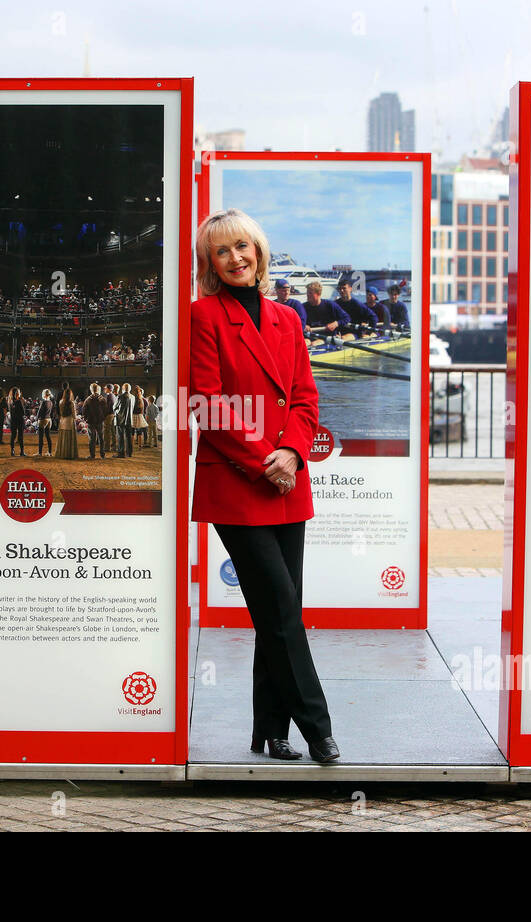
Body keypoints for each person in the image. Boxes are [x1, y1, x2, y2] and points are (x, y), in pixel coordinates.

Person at [189, 208, 338, 764]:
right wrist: (264, 460)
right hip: (238, 484)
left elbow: (304, 398)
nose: (235, 258)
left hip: (286, 481)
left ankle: (271, 731)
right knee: (281, 610)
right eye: (222, 251)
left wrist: (294, 453)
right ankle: (317, 726)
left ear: (259, 251)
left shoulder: (289, 319)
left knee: (277, 612)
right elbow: (207, 402)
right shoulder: (203, 316)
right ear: (211, 262)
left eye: (243, 246)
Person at [83, 382, 107, 458]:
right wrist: (103, 418)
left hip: (91, 421)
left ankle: (92, 455)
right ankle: (102, 454)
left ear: (91, 390)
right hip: (100, 421)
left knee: (92, 438)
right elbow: (106, 410)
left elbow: (84, 410)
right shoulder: (102, 399)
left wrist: (86, 419)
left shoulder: (88, 400)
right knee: (101, 438)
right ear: (98, 389)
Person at [56, 384, 80, 460]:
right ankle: (70, 454)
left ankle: (62, 454)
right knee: (70, 439)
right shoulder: (71, 403)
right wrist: (76, 417)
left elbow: (60, 412)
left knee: (63, 439)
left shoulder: (60, 401)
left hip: (62, 421)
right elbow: (74, 415)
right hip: (69, 421)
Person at [114, 382, 135, 458]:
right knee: (128, 436)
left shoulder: (120, 396)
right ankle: (129, 453)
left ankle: (121, 453)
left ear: (123, 389)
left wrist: (116, 411)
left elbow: (115, 407)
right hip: (129, 419)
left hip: (120, 419)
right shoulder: (133, 397)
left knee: (120, 436)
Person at [8, 386, 26, 456]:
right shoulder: (19, 401)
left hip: (13, 419)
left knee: (13, 436)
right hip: (20, 420)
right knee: (20, 436)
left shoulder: (9, 401)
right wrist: (23, 402)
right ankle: (22, 451)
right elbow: (23, 412)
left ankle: (12, 451)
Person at [36, 388, 54, 456]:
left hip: (43, 419)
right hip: (49, 420)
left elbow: (39, 411)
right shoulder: (51, 402)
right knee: (48, 436)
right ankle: (50, 452)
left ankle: (40, 453)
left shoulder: (43, 402)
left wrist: (37, 419)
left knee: (41, 437)